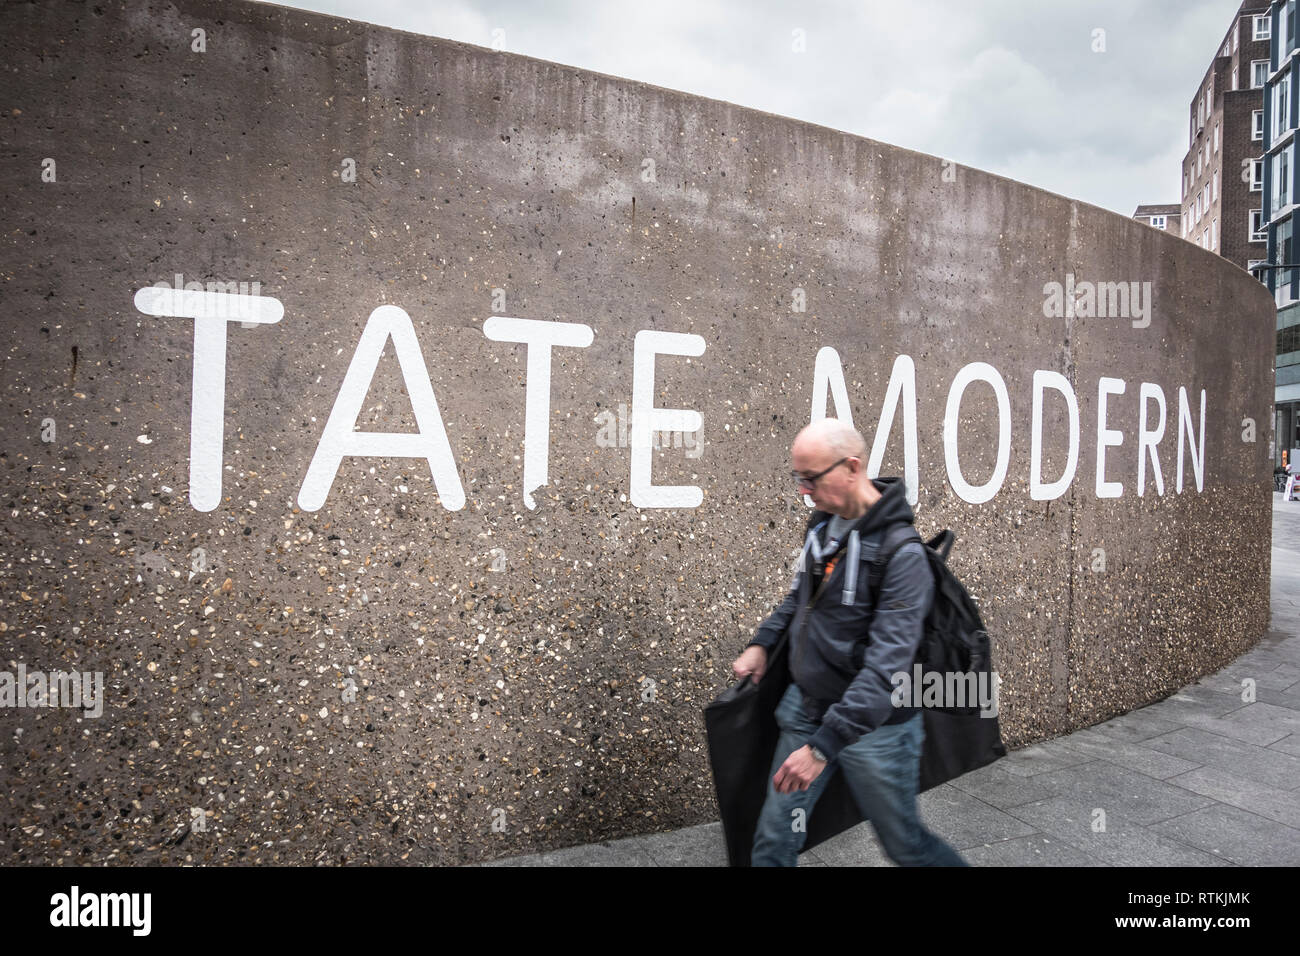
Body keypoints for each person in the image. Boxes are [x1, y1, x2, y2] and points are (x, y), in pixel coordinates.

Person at [731, 418, 968, 866]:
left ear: (852, 467)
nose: (804, 490)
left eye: (811, 478)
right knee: (773, 840)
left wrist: (823, 748)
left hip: (877, 732)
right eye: (797, 478)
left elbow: (886, 670)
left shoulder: (903, 556)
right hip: (806, 709)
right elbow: (801, 600)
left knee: (906, 846)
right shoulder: (823, 526)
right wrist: (763, 642)